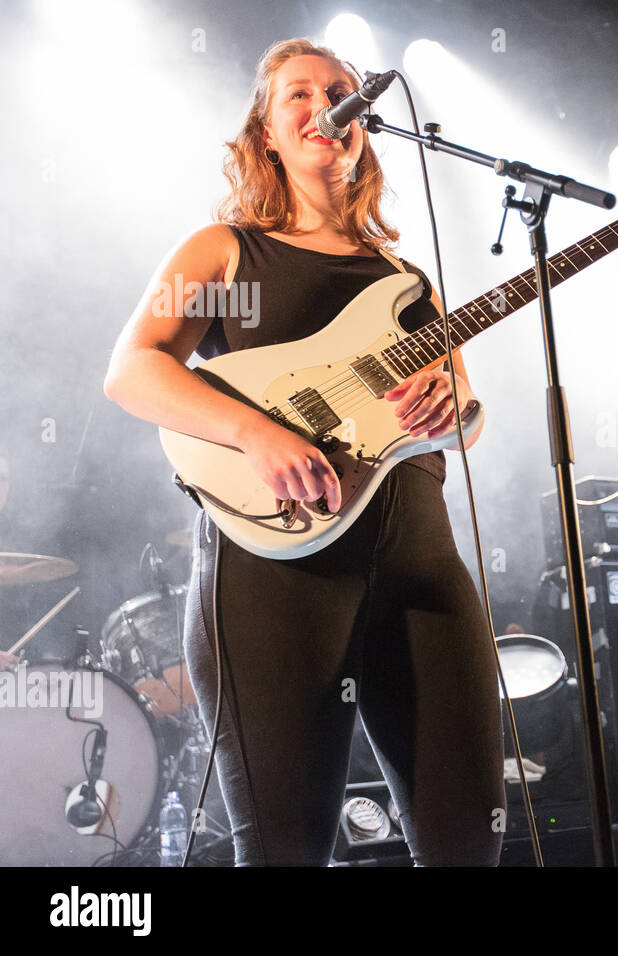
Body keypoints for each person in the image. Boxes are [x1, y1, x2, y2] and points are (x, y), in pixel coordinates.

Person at [103, 39, 504, 866]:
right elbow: (132, 371)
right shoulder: (224, 250)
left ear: (365, 128)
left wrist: (455, 405)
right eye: (301, 94)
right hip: (273, 576)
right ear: (267, 130)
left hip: (421, 571)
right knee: (287, 851)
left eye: (343, 92)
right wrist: (257, 430)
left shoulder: (406, 279)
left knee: (469, 842)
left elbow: (464, 417)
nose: (327, 104)